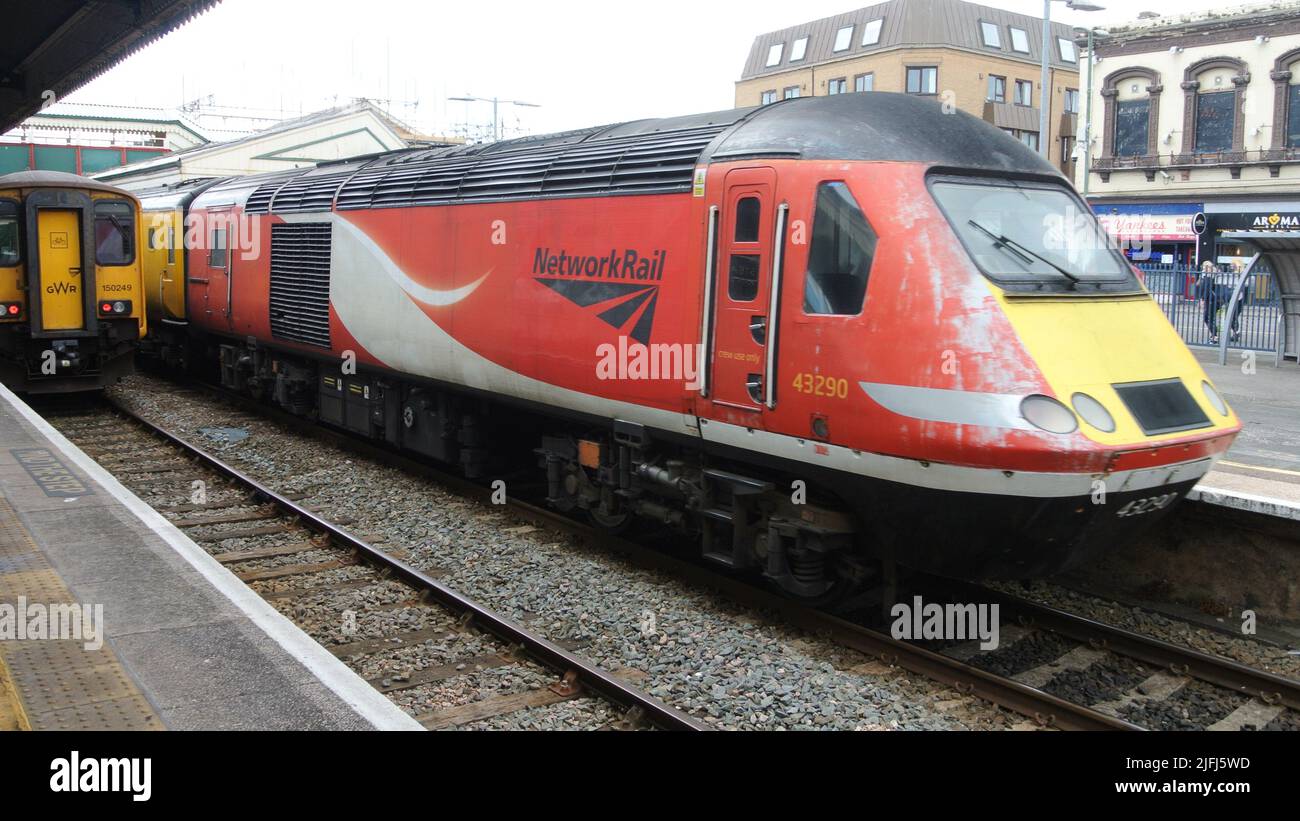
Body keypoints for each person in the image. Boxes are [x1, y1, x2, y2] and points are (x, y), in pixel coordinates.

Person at [1195, 261, 1222, 343]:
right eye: (1203, 267)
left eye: (1204, 267)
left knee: (1208, 318)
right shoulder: (1206, 275)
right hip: (1212, 299)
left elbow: (1207, 289)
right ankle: (1214, 335)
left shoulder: (1210, 276)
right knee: (1210, 318)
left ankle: (1215, 337)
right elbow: (1198, 284)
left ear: (1209, 267)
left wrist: (1202, 300)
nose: (1203, 268)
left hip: (1212, 300)